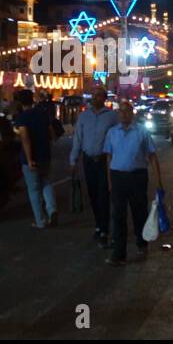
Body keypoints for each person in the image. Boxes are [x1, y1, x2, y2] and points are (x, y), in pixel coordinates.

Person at [103, 100, 162, 266]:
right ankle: (119, 253)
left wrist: (159, 181)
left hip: (137, 177)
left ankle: (142, 244)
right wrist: (109, 181)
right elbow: (108, 158)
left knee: (139, 213)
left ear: (132, 113)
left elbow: (152, 156)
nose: (123, 114)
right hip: (118, 177)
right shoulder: (112, 133)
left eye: (126, 111)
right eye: (120, 111)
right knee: (118, 216)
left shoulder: (142, 132)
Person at [69, 88, 118, 247]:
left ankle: (104, 231)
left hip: (104, 161)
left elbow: (117, 138)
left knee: (103, 196)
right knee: (92, 195)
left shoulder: (111, 116)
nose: (95, 98)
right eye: (94, 95)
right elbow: (78, 137)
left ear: (104, 98)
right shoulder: (84, 116)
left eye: (98, 96)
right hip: (88, 160)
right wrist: (73, 159)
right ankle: (98, 225)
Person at [14, 89, 58, 229]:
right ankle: (52, 210)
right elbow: (52, 134)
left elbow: (25, 139)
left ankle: (40, 220)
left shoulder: (22, 118)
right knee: (46, 183)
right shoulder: (42, 114)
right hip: (45, 154)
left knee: (34, 189)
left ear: (20, 102)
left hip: (31, 157)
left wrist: (29, 158)